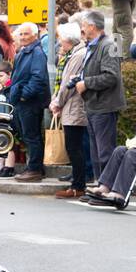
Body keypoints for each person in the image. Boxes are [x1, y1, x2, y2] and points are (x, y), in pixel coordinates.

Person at [76, 10, 125, 179]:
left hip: (104, 106)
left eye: (83, 25)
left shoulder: (109, 45)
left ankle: (106, 186)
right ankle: (99, 186)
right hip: (93, 105)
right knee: (95, 152)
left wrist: (86, 83)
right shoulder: (93, 45)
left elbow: (111, 76)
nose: (82, 29)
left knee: (104, 152)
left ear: (92, 26)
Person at [7, 21, 51, 182]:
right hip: (21, 101)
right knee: (27, 135)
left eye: (27, 34)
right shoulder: (23, 52)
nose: (23, 37)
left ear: (35, 35)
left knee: (32, 136)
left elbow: (38, 78)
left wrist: (24, 95)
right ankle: (34, 166)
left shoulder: (37, 53)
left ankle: (34, 170)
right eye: (21, 34)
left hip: (30, 102)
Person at [50, 22, 88, 199]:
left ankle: (78, 185)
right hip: (72, 106)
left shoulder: (77, 55)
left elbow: (68, 84)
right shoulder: (76, 52)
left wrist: (57, 102)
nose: (60, 43)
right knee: (74, 146)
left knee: (74, 146)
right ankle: (77, 180)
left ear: (68, 40)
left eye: (61, 40)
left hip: (74, 106)